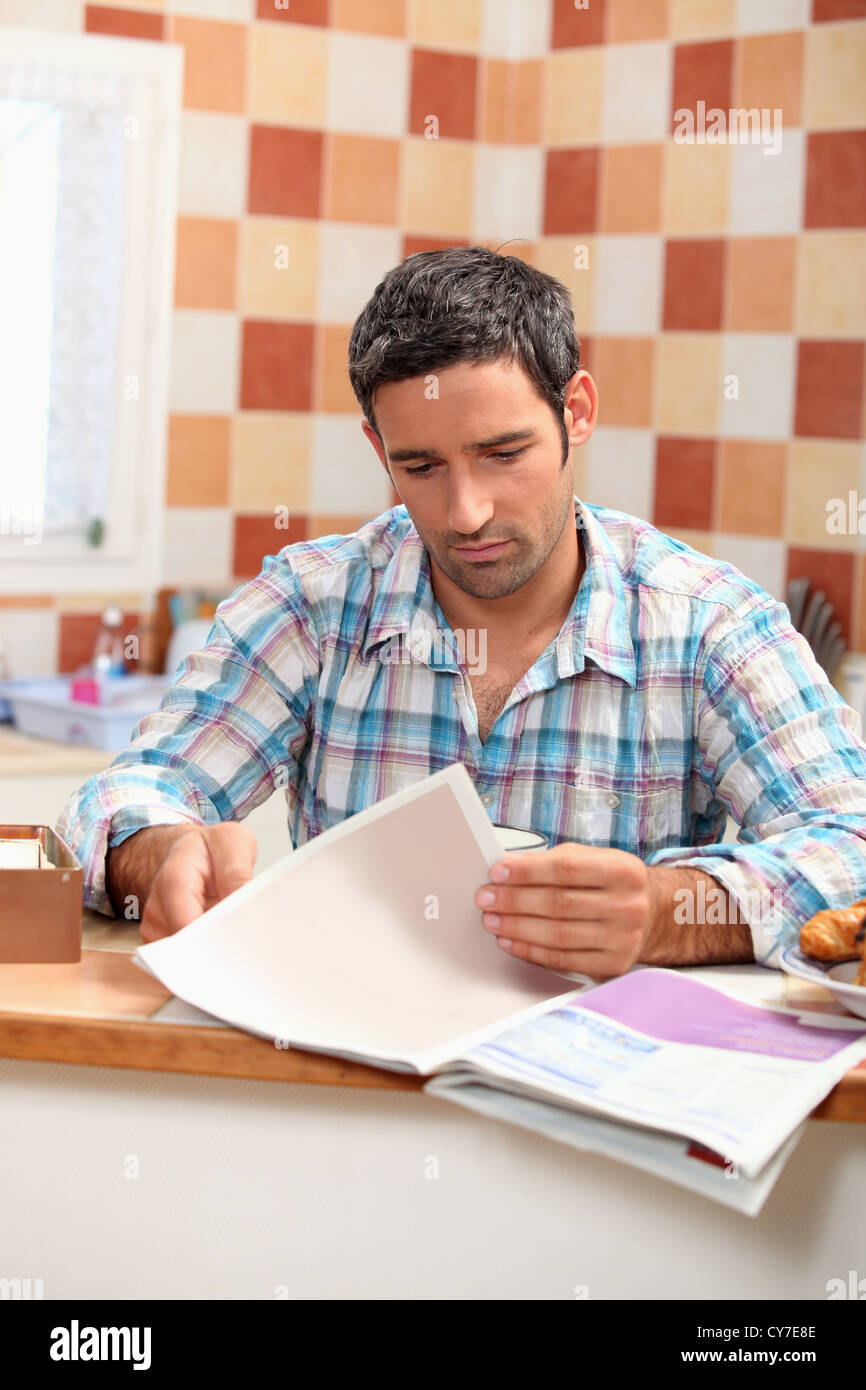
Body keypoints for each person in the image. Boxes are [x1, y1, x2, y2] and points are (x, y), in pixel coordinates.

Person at [56, 246, 866, 980]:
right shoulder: (313, 607)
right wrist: (158, 852)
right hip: (349, 1073)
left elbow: (852, 844)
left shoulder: (708, 625)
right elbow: (124, 796)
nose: (466, 512)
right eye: (421, 466)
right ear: (379, 450)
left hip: (600, 1106)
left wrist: (673, 913)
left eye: (503, 455)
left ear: (575, 411)